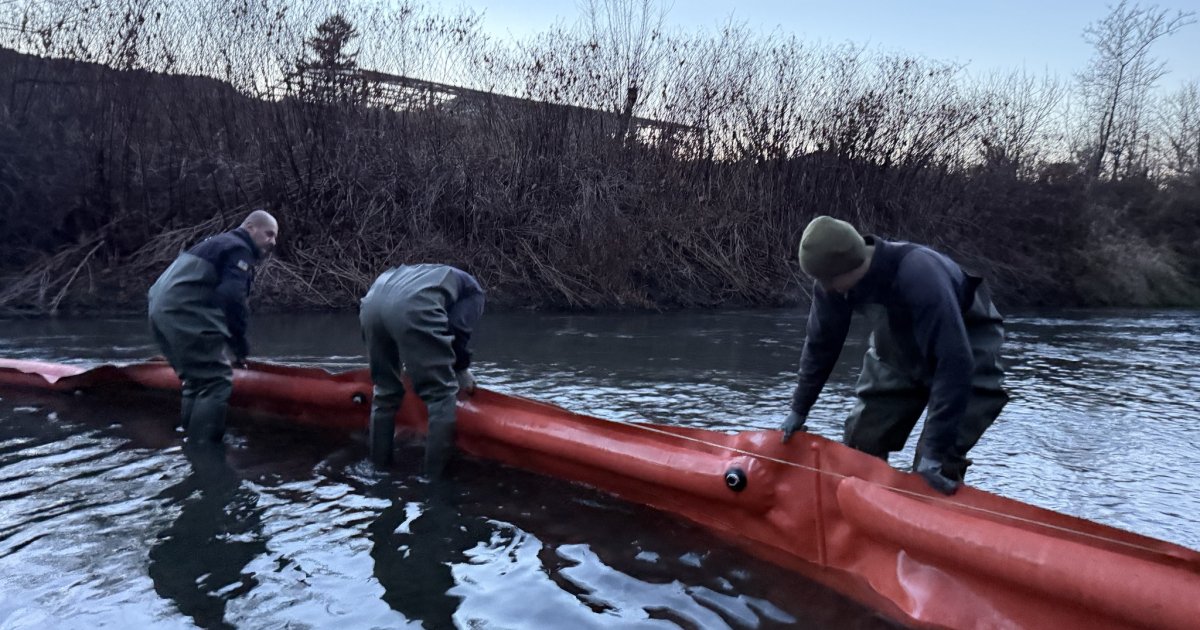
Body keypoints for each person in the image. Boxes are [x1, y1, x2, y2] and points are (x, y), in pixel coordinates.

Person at [781, 215, 1008, 495]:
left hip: (968, 345)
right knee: (861, 441)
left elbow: (954, 363)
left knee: (936, 463)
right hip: (899, 347)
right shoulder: (831, 282)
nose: (825, 288)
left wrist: (933, 454)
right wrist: (799, 408)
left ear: (855, 264)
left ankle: (934, 518)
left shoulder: (919, 274)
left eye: (830, 280)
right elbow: (821, 344)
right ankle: (861, 514)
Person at [148, 209, 278, 443]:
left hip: (159, 312)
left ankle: (189, 439)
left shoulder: (214, 243)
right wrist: (239, 348)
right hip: (183, 311)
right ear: (250, 228)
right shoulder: (239, 248)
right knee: (215, 381)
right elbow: (231, 298)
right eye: (269, 234)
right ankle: (204, 449)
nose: (273, 242)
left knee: (195, 381)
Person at [359, 264, 485, 477]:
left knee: (385, 392)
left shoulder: (426, 274)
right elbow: (458, 330)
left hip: (372, 302)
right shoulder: (474, 293)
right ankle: (433, 479)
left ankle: (378, 469)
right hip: (411, 305)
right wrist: (461, 368)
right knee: (441, 397)